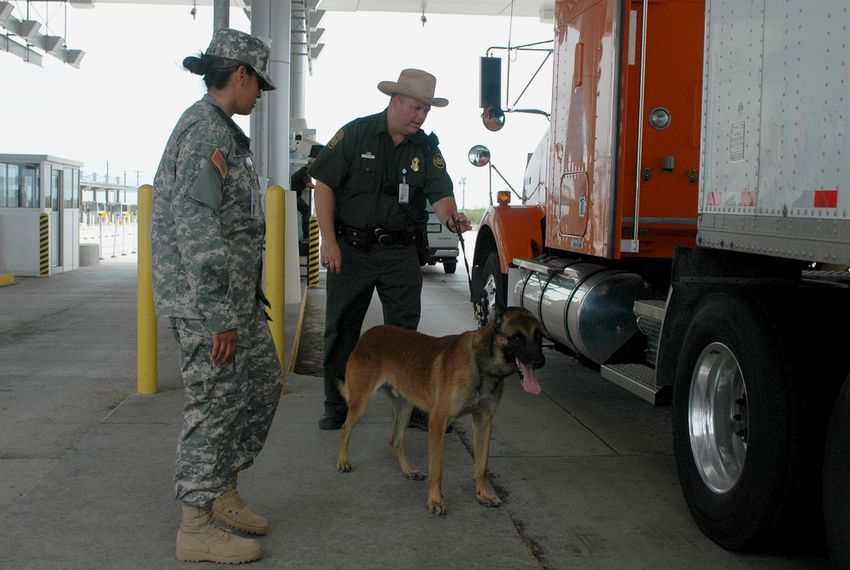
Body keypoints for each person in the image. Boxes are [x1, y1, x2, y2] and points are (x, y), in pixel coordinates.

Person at [150, 28, 281, 565]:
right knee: (213, 405)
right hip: (208, 305)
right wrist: (218, 315)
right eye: (258, 85)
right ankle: (195, 525)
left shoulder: (223, 131)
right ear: (241, 75)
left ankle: (222, 490)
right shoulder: (204, 132)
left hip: (233, 300)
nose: (259, 97)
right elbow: (196, 228)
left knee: (261, 387)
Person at [310, 68, 471, 431]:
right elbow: (324, 186)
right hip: (351, 249)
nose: (421, 116)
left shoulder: (426, 148)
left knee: (407, 338)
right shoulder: (356, 133)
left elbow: (440, 194)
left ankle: (415, 404)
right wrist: (328, 241)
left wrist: (451, 218)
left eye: (426, 110)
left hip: (400, 253)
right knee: (342, 330)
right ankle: (337, 405)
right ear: (395, 102)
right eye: (416, 108)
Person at [289, 144, 324, 242]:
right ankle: (306, 235)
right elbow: (309, 185)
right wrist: (323, 187)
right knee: (306, 210)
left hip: (294, 196)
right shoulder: (305, 172)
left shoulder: (304, 172)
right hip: (294, 197)